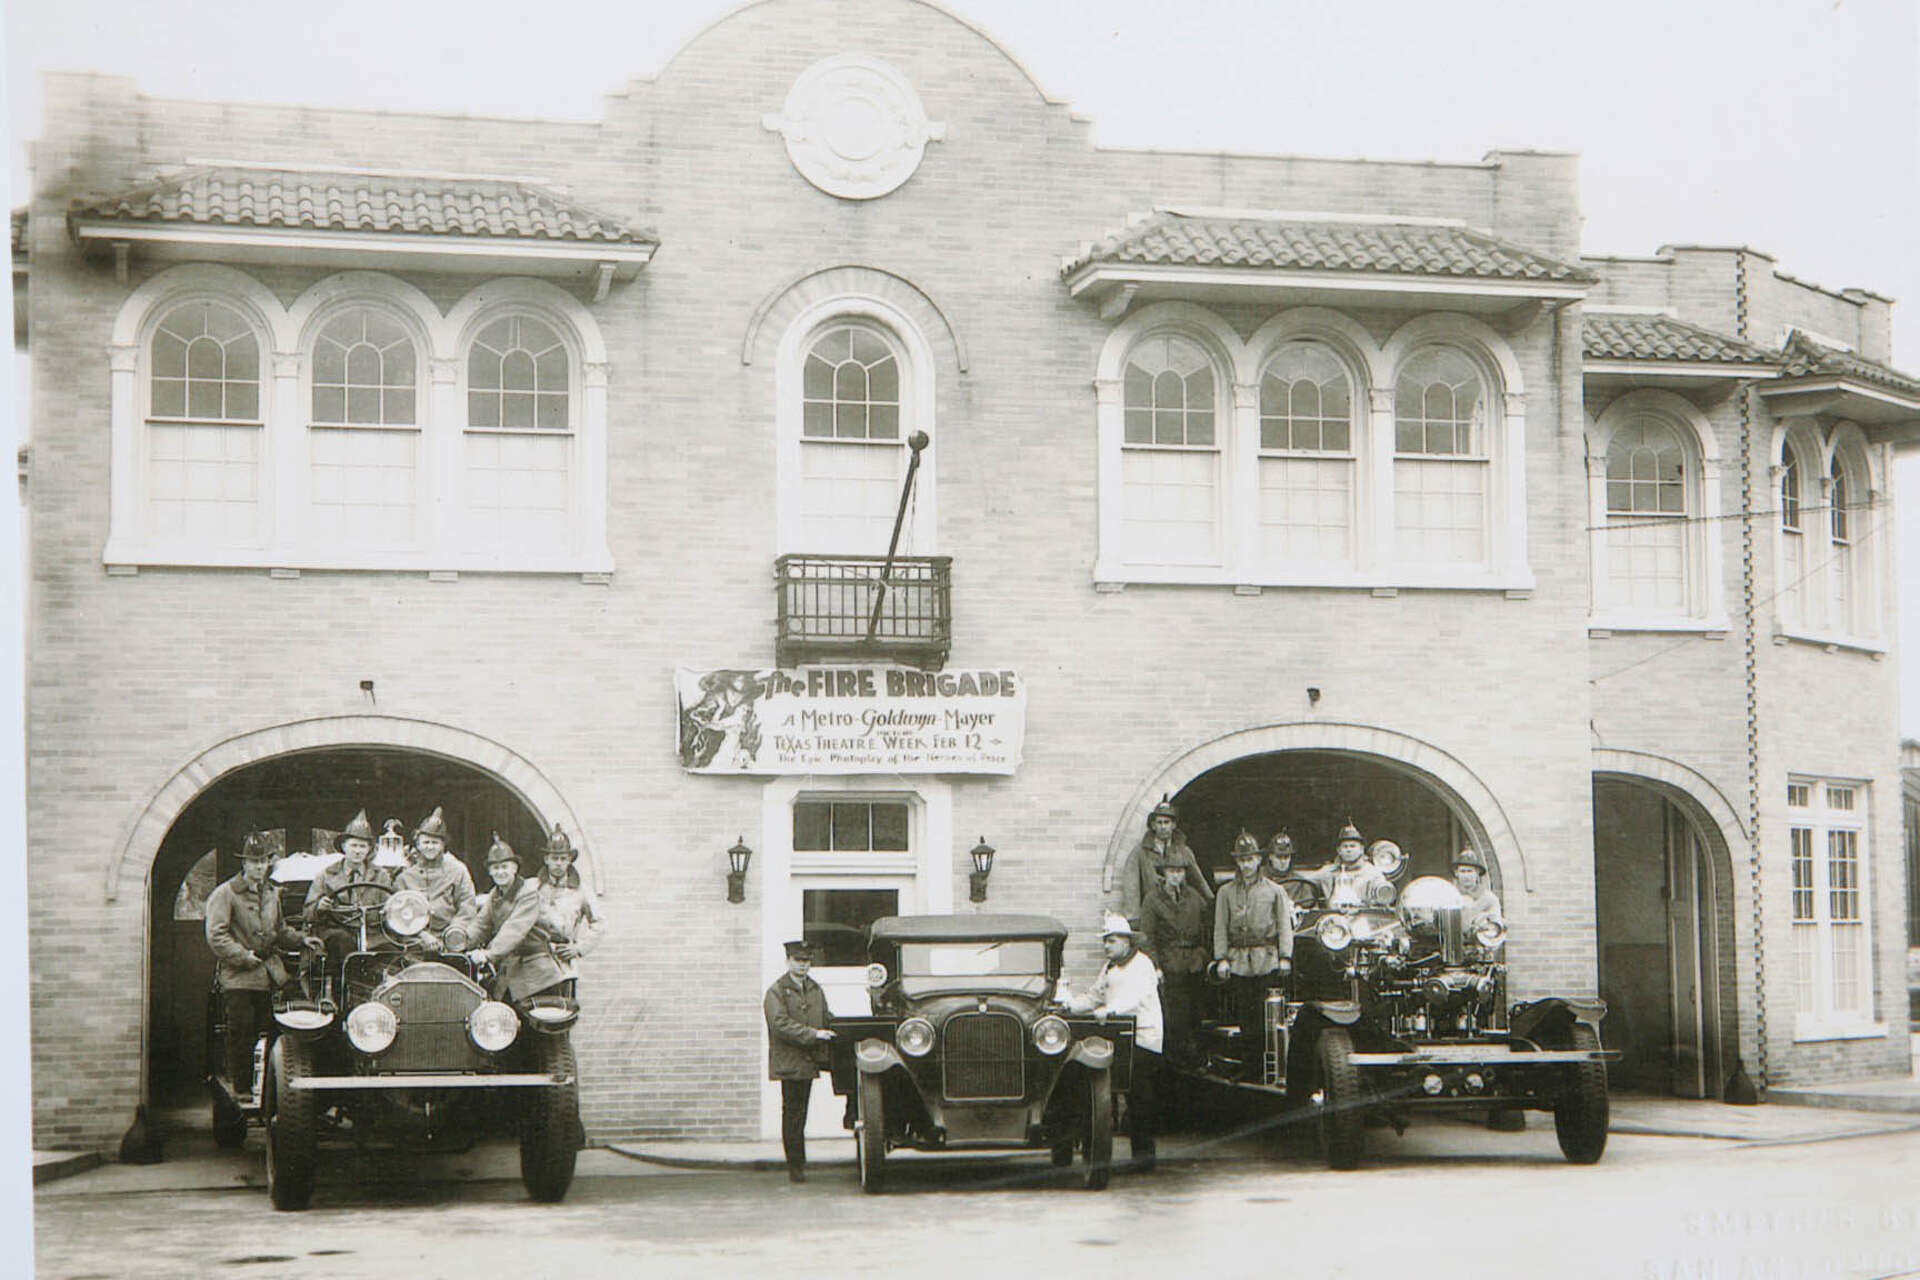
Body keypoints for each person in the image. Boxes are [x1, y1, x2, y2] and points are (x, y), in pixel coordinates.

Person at [204, 833, 317, 1101]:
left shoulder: (271, 894)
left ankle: (271, 1093)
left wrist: (302, 939)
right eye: (254, 862)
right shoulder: (225, 893)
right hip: (239, 978)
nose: (259, 867)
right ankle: (242, 1090)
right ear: (244, 864)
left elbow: (280, 930)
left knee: (277, 1032)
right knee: (242, 1033)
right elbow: (216, 935)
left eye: (263, 862)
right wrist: (243, 956)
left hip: (270, 975)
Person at [1064, 913, 1165, 1171]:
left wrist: (1110, 1010)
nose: (1106, 946)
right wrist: (1070, 1006)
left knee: (1139, 1100)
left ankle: (1144, 1160)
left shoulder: (1142, 965)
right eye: (1105, 941)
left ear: (1126, 941)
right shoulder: (1110, 967)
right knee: (1117, 1094)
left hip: (1142, 1039)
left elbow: (1135, 998)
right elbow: (1094, 995)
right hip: (1121, 1037)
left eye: (1111, 941)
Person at [1212, 831, 1293, 1082]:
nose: (1246, 864)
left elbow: (1284, 925)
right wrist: (1222, 958)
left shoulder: (1275, 891)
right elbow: (1220, 927)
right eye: (1242, 860)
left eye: (1250, 859)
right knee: (1246, 1019)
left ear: (1259, 860)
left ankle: (1271, 1069)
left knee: (1267, 1016)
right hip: (1238, 961)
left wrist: (1285, 956)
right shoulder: (1225, 892)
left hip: (1266, 960)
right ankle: (1250, 1069)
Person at [448, 834, 569, 1001]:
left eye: (505, 867)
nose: (500, 872)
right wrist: (459, 943)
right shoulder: (495, 894)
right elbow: (481, 925)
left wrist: (488, 954)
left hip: (537, 978)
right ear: (490, 872)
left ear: (515, 868)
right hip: (511, 976)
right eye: (495, 868)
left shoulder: (528, 894)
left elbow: (514, 930)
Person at [763, 939, 834, 1183]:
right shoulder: (776, 991)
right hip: (790, 1061)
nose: (803, 965)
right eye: (798, 960)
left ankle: (798, 1162)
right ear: (788, 961)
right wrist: (814, 1034)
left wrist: (838, 1028)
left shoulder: (815, 989)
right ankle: (795, 1165)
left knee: (801, 1112)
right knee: (792, 1113)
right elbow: (779, 1024)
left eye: (806, 961)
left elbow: (825, 1016)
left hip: (808, 1061)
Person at [304, 809, 395, 973]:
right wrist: (319, 906)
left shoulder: (381, 876)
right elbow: (307, 913)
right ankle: (343, 985)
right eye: (353, 845)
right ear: (344, 847)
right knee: (342, 941)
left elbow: (391, 909)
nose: (358, 851)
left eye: (362, 846)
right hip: (336, 931)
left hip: (373, 933)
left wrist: (388, 911)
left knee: (393, 951)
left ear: (369, 849)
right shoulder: (326, 875)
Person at [1140, 862, 1207, 1067]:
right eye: (1171, 872)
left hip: (1193, 964)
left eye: (1180, 872)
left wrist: (1202, 955)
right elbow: (1147, 937)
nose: (1176, 876)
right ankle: (1177, 1064)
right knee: (1175, 1018)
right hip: (1169, 965)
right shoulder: (1153, 899)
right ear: (1164, 874)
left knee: (1195, 1014)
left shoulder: (1194, 897)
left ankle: (1196, 1061)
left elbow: (1206, 928)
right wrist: (1155, 966)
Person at [1117, 798, 1213, 926]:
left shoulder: (1184, 851)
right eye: (1159, 823)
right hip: (1153, 913)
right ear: (1153, 825)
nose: (1163, 827)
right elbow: (1131, 888)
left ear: (1173, 825)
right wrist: (1134, 918)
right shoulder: (1140, 853)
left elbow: (1198, 881)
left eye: (1167, 822)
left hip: (1179, 914)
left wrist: (1209, 905)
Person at [397, 805, 476, 949]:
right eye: (426, 842)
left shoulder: (458, 871)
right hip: (413, 940)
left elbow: (467, 907)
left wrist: (451, 934)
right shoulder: (405, 877)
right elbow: (398, 913)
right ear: (418, 844)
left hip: (450, 940)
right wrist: (422, 935)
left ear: (443, 845)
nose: (430, 847)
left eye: (435, 843)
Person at [534, 826, 604, 970]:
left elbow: (599, 923)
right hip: (536, 961)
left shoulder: (582, 890)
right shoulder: (533, 887)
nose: (559, 863)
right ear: (546, 859)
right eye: (554, 858)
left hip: (563, 962)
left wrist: (578, 948)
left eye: (563, 858)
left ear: (569, 860)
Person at [1297, 820, 1396, 909]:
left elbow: (1384, 894)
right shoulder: (1327, 872)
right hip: (1332, 918)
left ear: (1361, 849)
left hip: (1363, 917)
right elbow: (1304, 883)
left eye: (1353, 846)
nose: (1349, 850)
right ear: (1339, 850)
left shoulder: (1372, 872)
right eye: (1345, 846)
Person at [1452, 847, 1504, 933]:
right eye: (1462, 871)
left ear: (1477, 873)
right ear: (1456, 873)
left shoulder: (1489, 899)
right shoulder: (1450, 896)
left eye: (1470, 871)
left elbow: (1495, 928)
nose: (1466, 876)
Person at [1263, 830, 1317, 911]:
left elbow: (1310, 907)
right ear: (1270, 856)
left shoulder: (1301, 883)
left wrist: (1299, 908)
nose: (1283, 862)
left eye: (1286, 857)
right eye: (1279, 857)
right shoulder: (1260, 878)